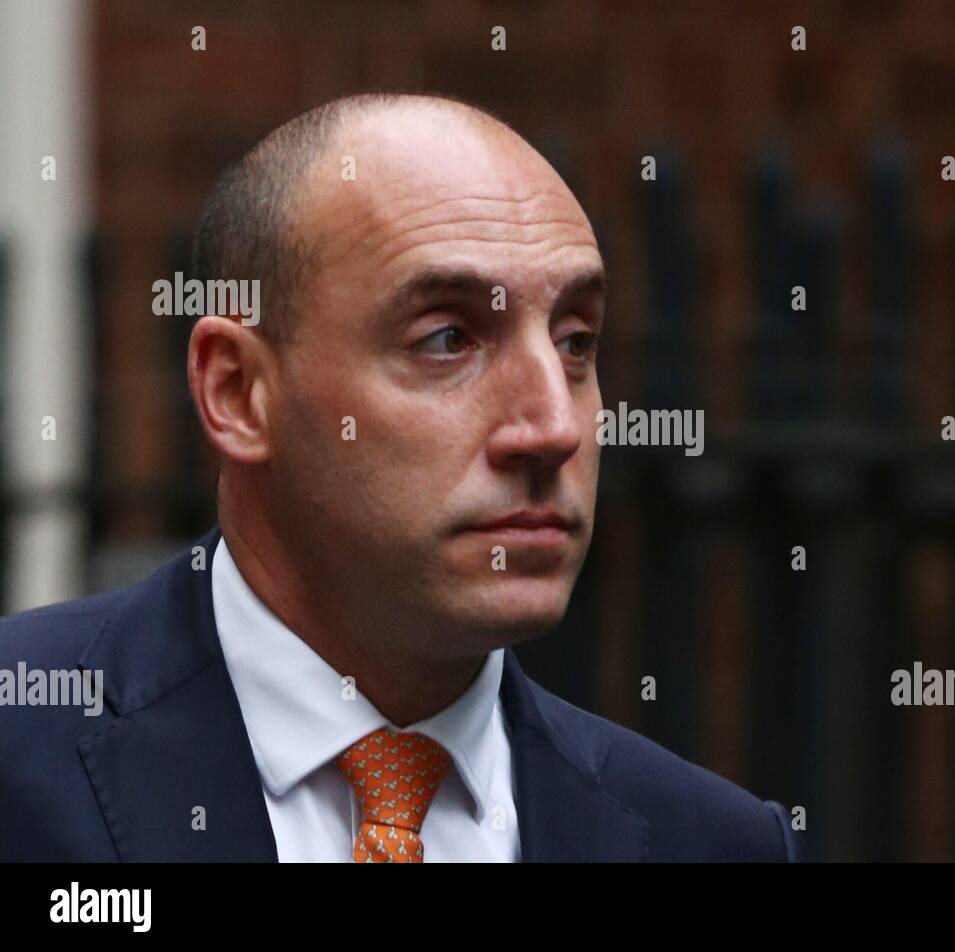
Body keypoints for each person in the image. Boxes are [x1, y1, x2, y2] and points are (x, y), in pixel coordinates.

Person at [0, 93, 808, 862]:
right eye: (449, 338)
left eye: (575, 342)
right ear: (238, 393)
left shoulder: (710, 843)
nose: (553, 427)